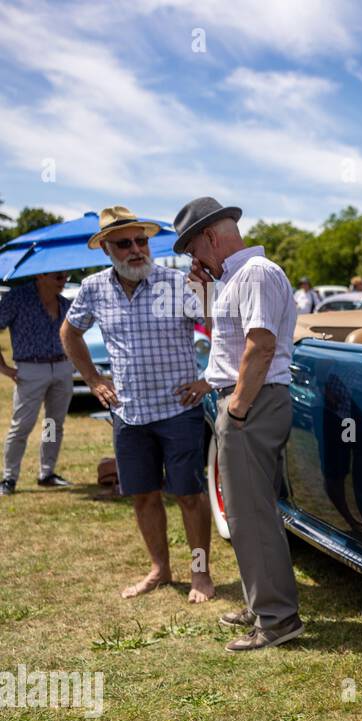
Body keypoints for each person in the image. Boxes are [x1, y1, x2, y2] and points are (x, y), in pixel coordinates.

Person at [61, 206, 215, 602]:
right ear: (106, 250)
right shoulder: (94, 288)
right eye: (124, 243)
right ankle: (160, 570)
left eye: (141, 241)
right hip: (129, 413)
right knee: (143, 494)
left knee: (189, 495)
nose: (136, 250)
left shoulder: (175, 283)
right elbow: (70, 333)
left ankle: (200, 575)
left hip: (179, 409)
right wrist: (94, 380)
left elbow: (219, 326)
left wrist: (207, 378)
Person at [171, 196, 303, 652]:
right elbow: (229, 343)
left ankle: (277, 619)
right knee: (246, 516)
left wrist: (238, 408)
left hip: (254, 404)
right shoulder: (239, 278)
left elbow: (260, 345)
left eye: (192, 249)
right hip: (251, 401)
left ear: (210, 237)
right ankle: (263, 604)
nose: (194, 259)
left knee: (252, 514)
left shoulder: (257, 274)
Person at [0, 270, 74, 495]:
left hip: (61, 367)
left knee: (53, 423)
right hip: (31, 370)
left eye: (66, 278)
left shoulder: (64, 303)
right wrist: (3, 367)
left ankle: (46, 473)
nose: (63, 282)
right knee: (21, 425)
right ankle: (8, 478)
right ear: (41, 275)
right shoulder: (17, 298)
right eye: (58, 277)